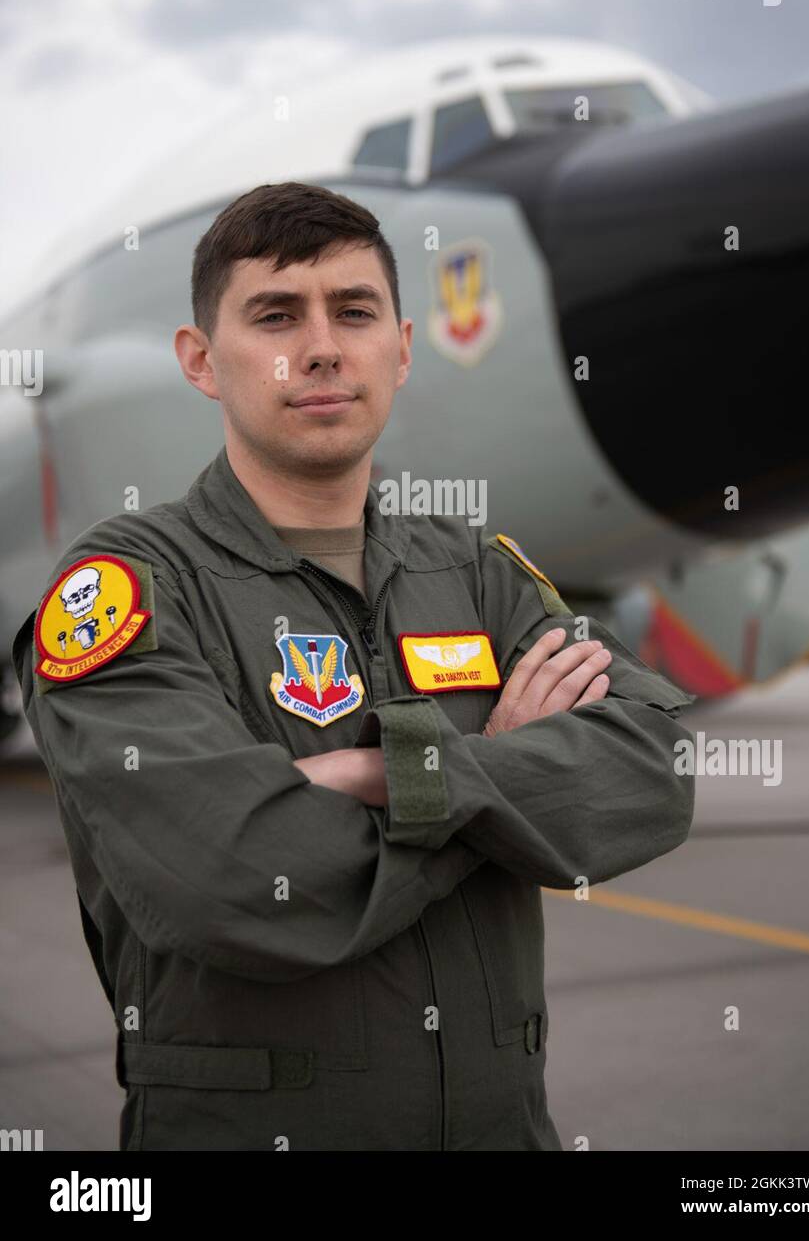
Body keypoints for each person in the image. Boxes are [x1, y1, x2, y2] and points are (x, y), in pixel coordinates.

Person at [12, 181, 696, 1151]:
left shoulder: (474, 572)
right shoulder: (123, 589)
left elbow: (651, 769)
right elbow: (232, 878)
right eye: (276, 314)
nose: (322, 345)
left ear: (401, 349)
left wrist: (385, 771)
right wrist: (499, 773)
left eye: (355, 311)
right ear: (202, 362)